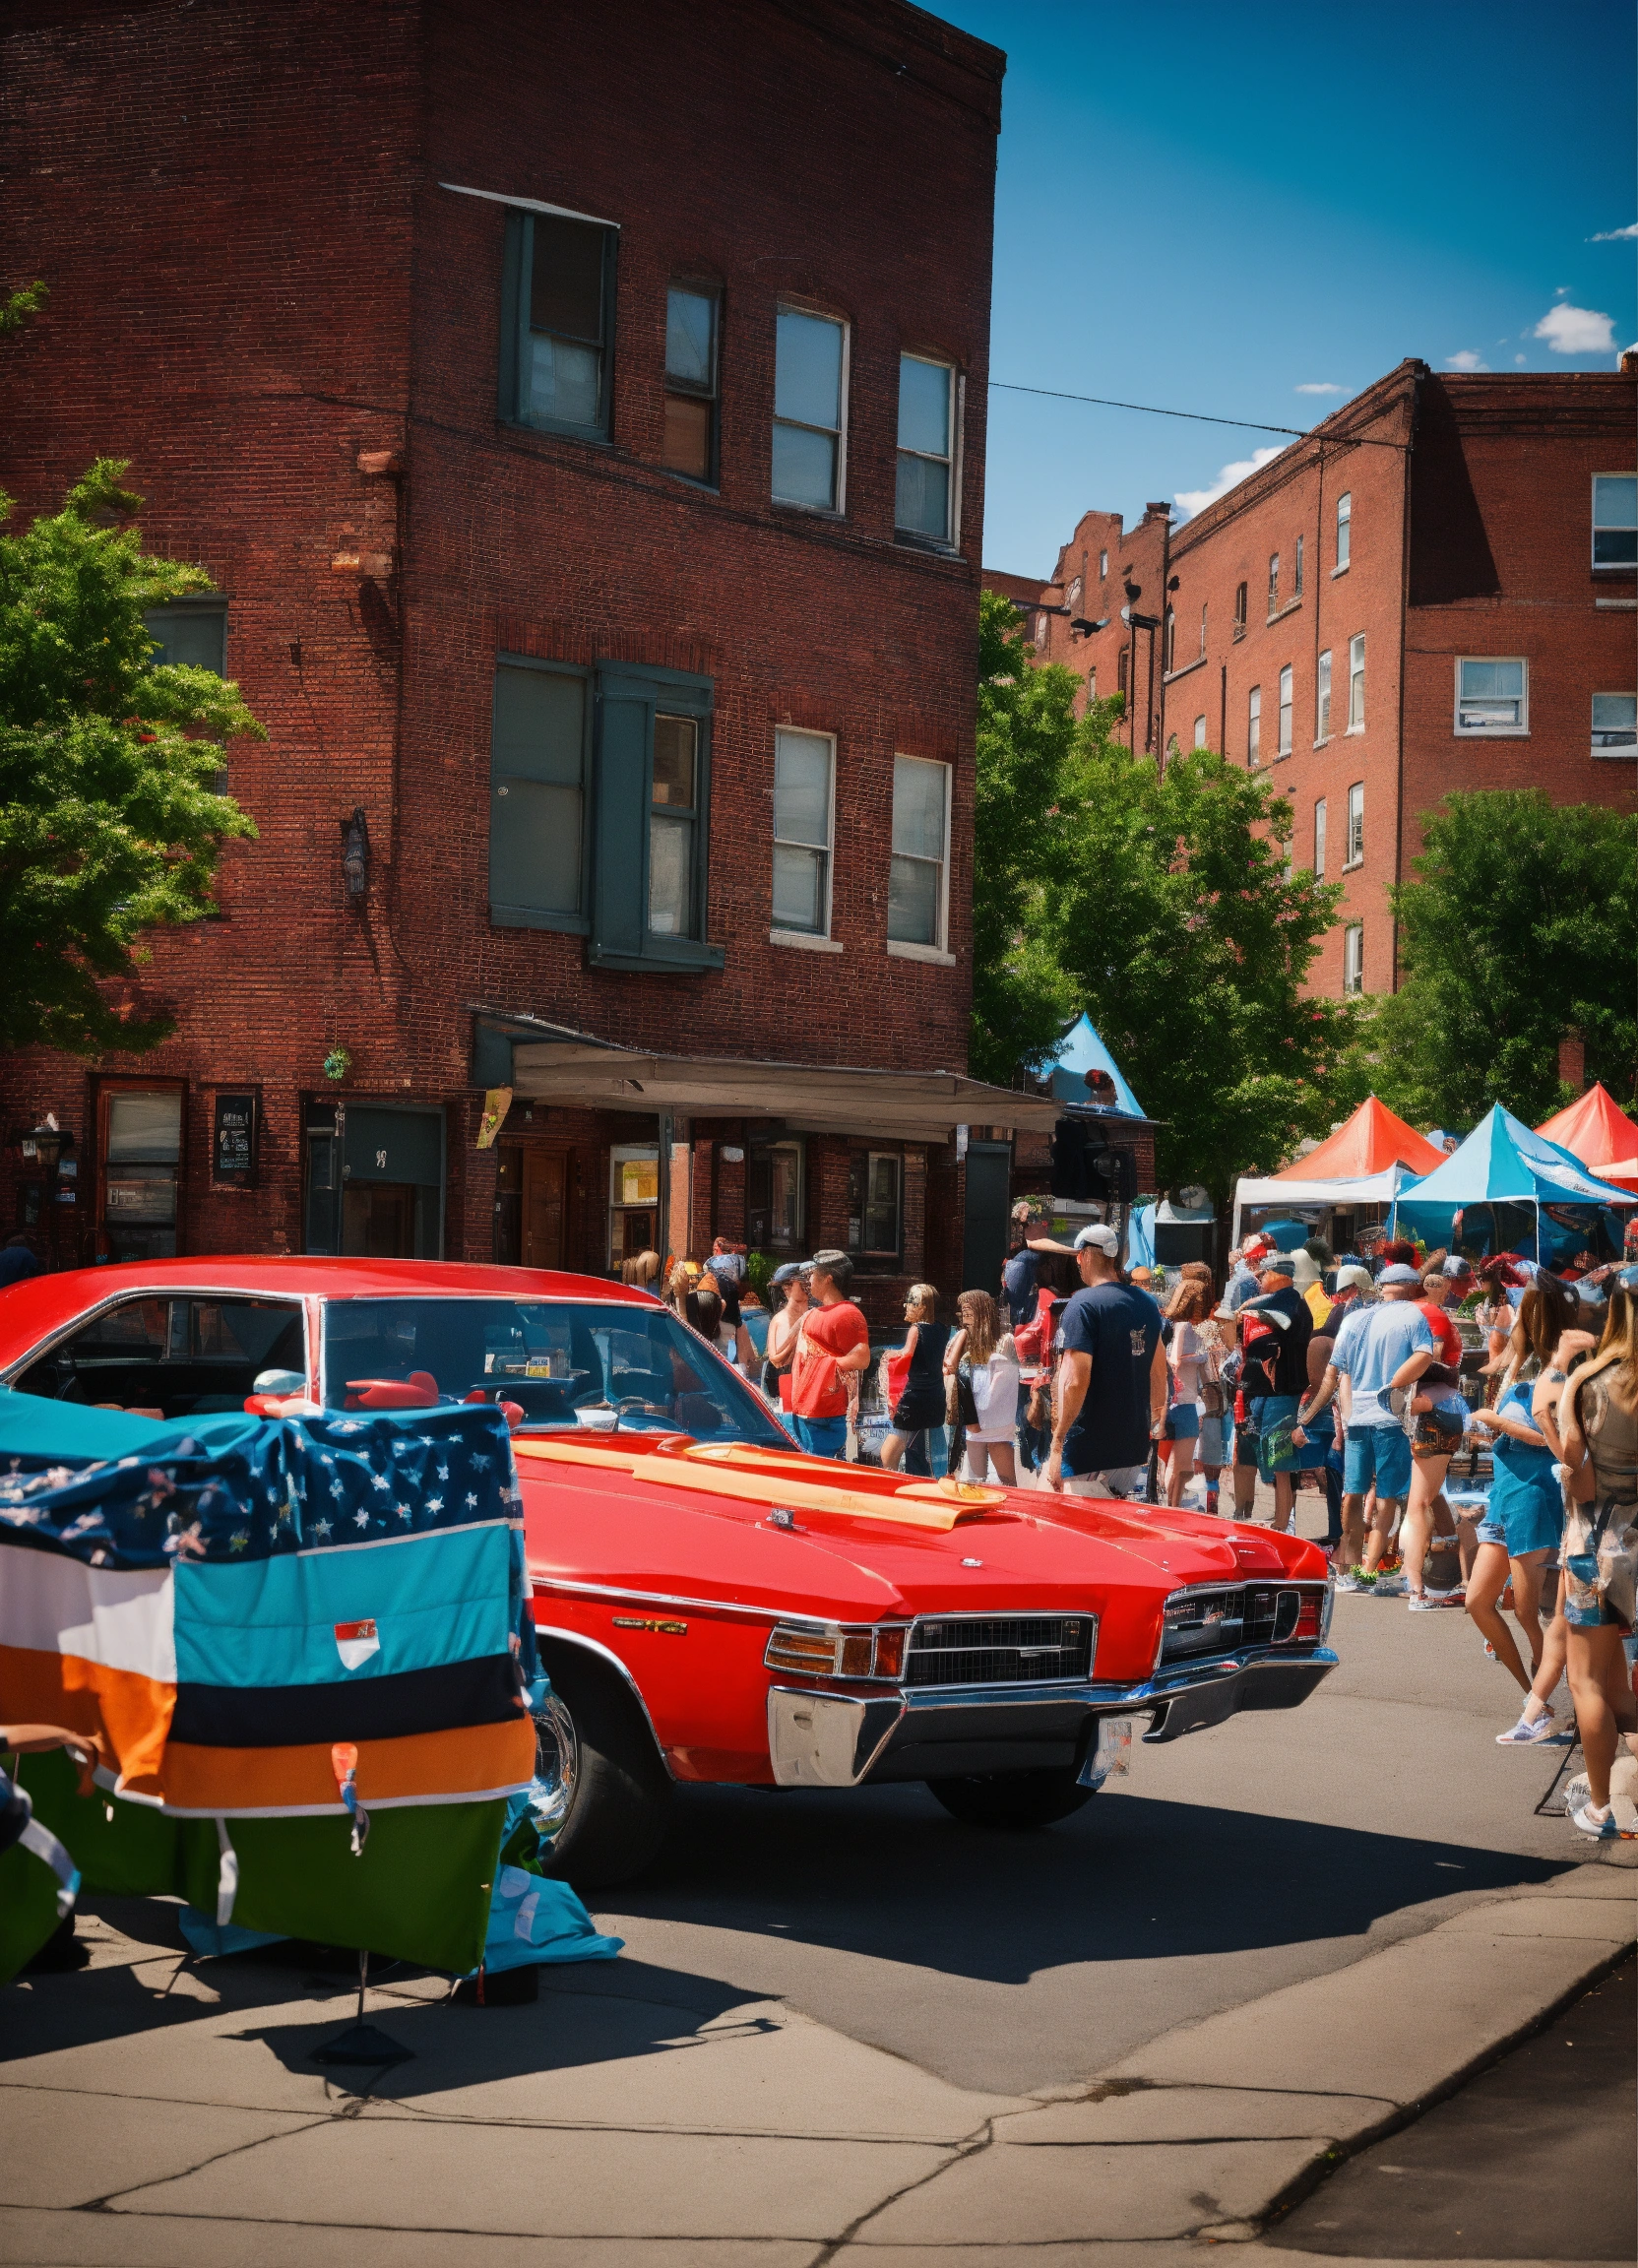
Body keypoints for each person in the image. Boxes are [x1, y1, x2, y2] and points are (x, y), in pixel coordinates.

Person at [1469, 1279, 1594, 1733]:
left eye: (1515, 1310)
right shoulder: (1521, 1365)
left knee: (1528, 1610)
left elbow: (1559, 1444)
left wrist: (1495, 1421)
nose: (1507, 1315)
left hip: (1532, 1491)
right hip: (1506, 1490)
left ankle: (1548, 1704)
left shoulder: (1555, 1370)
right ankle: (1536, 1697)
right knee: (1479, 1601)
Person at [1554, 1276, 1638, 1837]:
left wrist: (1559, 1401)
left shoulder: (1590, 1379)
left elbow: (1577, 1476)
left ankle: (1603, 1806)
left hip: (1595, 1546)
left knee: (1586, 1681)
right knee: (1620, 1687)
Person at [1294, 1263, 1435, 1590]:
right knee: (1386, 1494)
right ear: (1414, 1289)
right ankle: (1370, 1569)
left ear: (1382, 1287)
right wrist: (1395, 1385)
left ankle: (1347, 1568)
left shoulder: (1354, 1319)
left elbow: (1331, 1375)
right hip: (1390, 1416)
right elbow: (1425, 1355)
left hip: (1356, 1415)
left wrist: (1308, 1417)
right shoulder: (1414, 1316)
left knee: (1352, 1492)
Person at [1043, 1224, 1166, 1498]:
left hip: (1088, 1448)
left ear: (1084, 1256)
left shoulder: (1083, 1304)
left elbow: (1075, 1381)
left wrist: (1058, 1441)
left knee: (1071, 1529)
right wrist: (1156, 1420)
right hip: (1131, 1448)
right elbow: (1159, 1370)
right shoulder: (1146, 1303)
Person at [1237, 1254, 1315, 1533]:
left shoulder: (1287, 1300)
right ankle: (1282, 1519)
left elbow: (1246, 1307)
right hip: (1282, 1391)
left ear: (1280, 1275)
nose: (1260, 1281)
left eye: (1264, 1275)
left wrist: (1245, 1306)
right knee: (1277, 1461)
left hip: (1284, 1391)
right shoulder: (1290, 1300)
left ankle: (1283, 1521)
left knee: (1281, 1461)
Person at [788, 1249, 871, 1460]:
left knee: (820, 1469)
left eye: (813, 1274)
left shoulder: (848, 1314)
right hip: (805, 1406)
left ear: (828, 1278)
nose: (809, 1279)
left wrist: (822, 1370)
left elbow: (862, 1357)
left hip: (826, 1410)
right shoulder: (815, 1312)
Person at [945, 1290, 1020, 1485]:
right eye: (964, 1315)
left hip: (996, 1418)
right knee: (974, 1480)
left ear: (982, 1314)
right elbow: (949, 1368)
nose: (966, 1321)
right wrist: (962, 1337)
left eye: (970, 1315)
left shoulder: (1003, 1342)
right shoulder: (965, 1342)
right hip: (973, 1417)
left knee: (1006, 1479)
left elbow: (1005, 1382)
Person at [879, 1283, 949, 1476]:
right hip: (935, 1397)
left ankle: (891, 1482)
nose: (905, 1305)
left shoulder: (916, 1329)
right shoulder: (943, 1329)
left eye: (911, 1302)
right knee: (920, 1449)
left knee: (888, 1454)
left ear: (923, 1307)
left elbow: (906, 1354)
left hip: (913, 1398)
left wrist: (889, 1353)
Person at [1159, 1278, 1210, 1507]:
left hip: (1175, 1401)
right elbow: (1174, 1360)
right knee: (1179, 1467)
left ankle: (1169, 1507)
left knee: (1174, 1466)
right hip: (1181, 1401)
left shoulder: (1172, 1322)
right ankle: (1172, 1508)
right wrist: (1198, 1356)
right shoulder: (1183, 1325)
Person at [763, 1262, 810, 1427]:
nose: (808, 1286)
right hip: (788, 1387)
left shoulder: (814, 1315)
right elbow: (777, 1360)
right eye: (802, 1283)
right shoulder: (781, 1320)